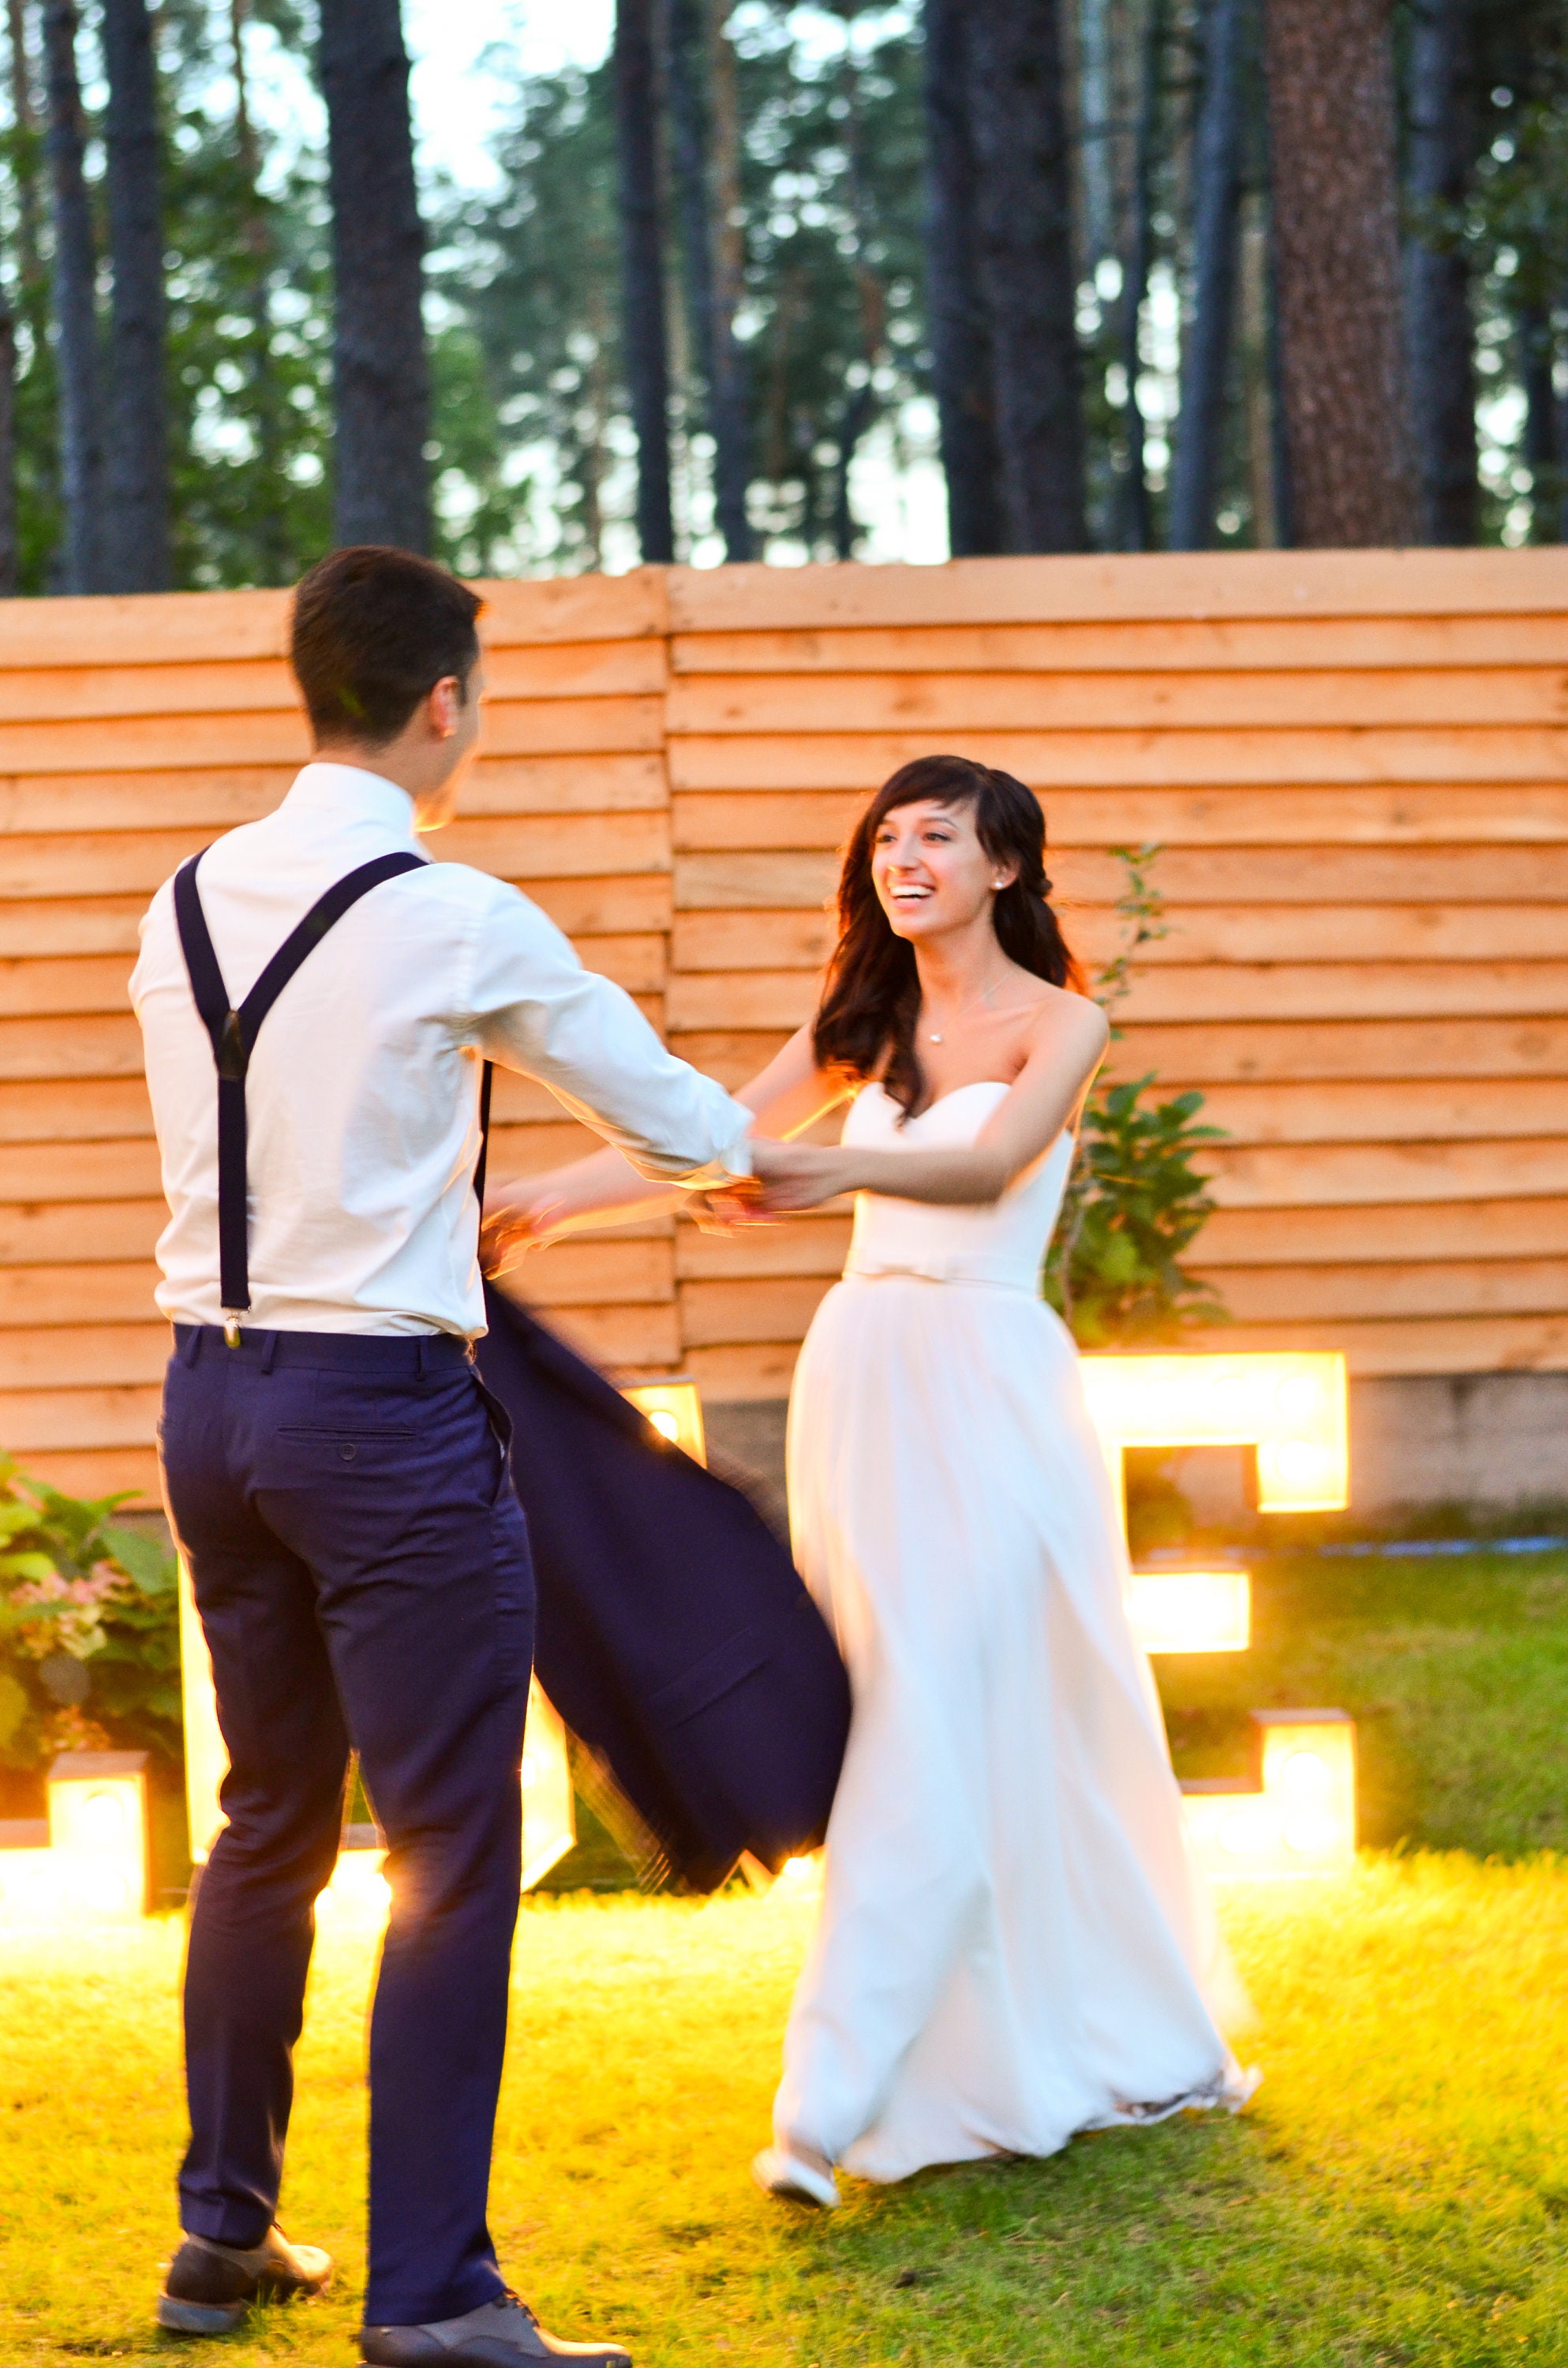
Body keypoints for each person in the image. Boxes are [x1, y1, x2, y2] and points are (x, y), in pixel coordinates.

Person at [133, 545, 762, 2366]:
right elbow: (688, 1124)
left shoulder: (178, 900)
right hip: (379, 1422)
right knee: (448, 1844)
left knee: (263, 1827)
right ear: (442, 705)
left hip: (211, 1403)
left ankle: (219, 2243)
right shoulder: (455, 910)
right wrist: (721, 1157)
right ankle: (432, 2295)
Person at [484, 753, 1255, 2209]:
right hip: (868, 1378)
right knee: (902, 1701)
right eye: (889, 837)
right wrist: (551, 1205)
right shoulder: (864, 1019)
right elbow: (705, 1132)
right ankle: (931, 2060)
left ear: (1006, 866)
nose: (906, 857)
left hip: (996, 1380)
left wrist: (818, 1177)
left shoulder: (1063, 1022)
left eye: (940, 837)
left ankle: (826, 2102)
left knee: (959, 1694)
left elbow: (992, 1168)